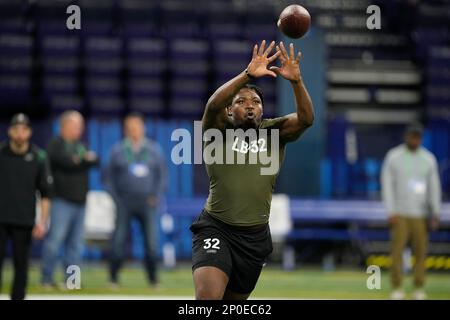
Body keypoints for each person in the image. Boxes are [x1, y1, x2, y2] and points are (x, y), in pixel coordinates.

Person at [191, 40, 314, 300]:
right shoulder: (217, 130)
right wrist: (247, 74)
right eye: (241, 101)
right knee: (208, 301)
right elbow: (213, 104)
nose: (250, 105)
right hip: (217, 228)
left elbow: (306, 119)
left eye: (256, 101)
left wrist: (296, 82)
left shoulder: (274, 132)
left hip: (254, 237)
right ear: (229, 110)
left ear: (262, 109)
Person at [104, 112, 167, 288]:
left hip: (148, 202)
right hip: (124, 202)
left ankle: (153, 279)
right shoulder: (118, 149)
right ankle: (113, 278)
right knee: (118, 241)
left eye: (136, 126)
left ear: (143, 128)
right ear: (125, 130)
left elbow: (162, 176)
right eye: (130, 127)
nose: (134, 130)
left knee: (151, 242)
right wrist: (116, 199)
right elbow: (108, 178)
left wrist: (156, 195)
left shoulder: (154, 149)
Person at [381, 123, 441, 300]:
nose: (414, 140)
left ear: (421, 139)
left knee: (421, 253)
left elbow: (434, 187)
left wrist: (435, 212)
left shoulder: (428, 159)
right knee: (397, 252)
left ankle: (418, 287)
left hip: (421, 214)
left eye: (417, 137)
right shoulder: (394, 156)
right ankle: (397, 287)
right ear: (406, 137)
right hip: (400, 212)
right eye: (411, 136)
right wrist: (391, 210)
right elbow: (387, 185)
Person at [41, 110, 99, 288]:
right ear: (64, 126)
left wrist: (80, 160)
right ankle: (47, 279)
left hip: (80, 202)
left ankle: (71, 281)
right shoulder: (55, 144)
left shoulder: (80, 146)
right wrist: (83, 161)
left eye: (80, 126)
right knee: (55, 241)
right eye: (74, 125)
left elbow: (95, 161)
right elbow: (65, 162)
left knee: (75, 245)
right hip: (61, 200)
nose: (78, 130)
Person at [0, 113, 53, 299]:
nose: (20, 133)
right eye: (16, 129)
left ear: (30, 132)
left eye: (24, 129)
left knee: (21, 265)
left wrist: (42, 222)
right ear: (9, 131)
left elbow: (46, 193)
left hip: (24, 220)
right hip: (1, 218)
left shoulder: (38, 157)